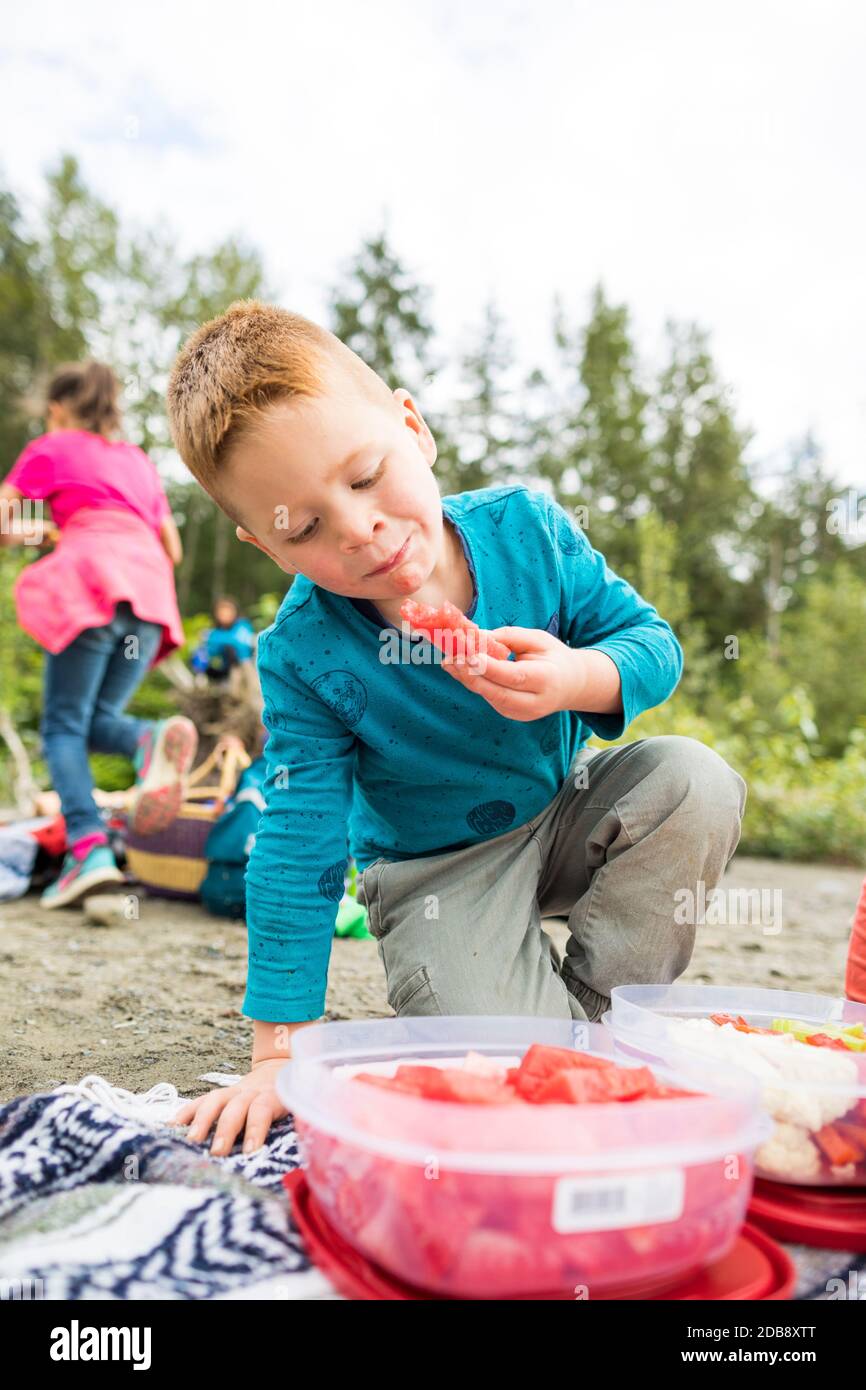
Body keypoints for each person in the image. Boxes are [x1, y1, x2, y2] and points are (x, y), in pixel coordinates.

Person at [166, 301, 747, 1154]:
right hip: (436, 870)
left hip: (564, 812)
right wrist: (276, 1054)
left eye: (365, 476)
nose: (360, 530)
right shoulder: (302, 652)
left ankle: (611, 1022)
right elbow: (298, 840)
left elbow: (652, 646)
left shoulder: (531, 533)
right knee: (505, 1074)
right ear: (269, 549)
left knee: (692, 780)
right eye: (306, 529)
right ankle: (553, 1045)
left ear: (414, 427)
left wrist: (574, 676)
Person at [0, 360, 198, 907]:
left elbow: (2, 520)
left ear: (59, 408)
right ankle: (147, 738)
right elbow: (173, 549)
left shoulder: (51, 447)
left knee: (61, 726)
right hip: (149, 592)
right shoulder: (136, 462)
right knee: (93, 723)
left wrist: (38, 529)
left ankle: (87, 848)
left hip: (91, 581)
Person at [191, 595, 256, 681]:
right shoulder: (218, 631)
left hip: (246, 667)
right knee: (200, 651)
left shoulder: (243, 625)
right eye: (222, 612)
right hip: (226, 670)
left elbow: (238, 641)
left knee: (231, 649)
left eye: (228, 611)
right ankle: (200, 680)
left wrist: (210, 637)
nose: (225, 615)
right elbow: (212, 650)